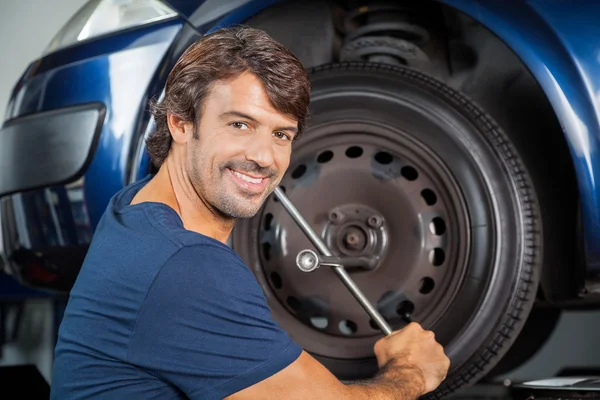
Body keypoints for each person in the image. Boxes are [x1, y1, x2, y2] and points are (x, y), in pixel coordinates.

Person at [50, 26, 450, 399]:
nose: (263, 158)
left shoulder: (134, 207)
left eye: (281, 134)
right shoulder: (186, 267)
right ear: (180, 123)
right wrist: (410, 371)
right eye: (240, 124)